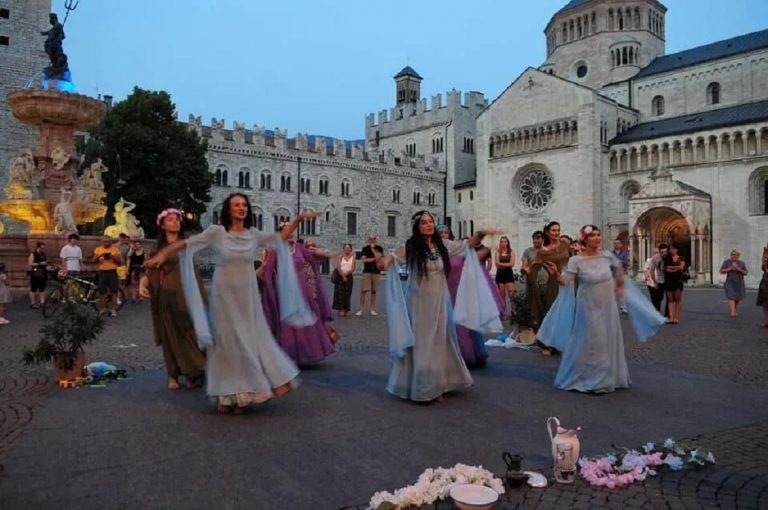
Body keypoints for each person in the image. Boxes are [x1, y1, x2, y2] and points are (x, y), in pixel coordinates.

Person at [147, 193, 315, 414]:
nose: (241, 208)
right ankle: (227, 395)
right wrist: (163, 254)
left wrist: (298, 220)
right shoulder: (217, 233)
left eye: (244, 205)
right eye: (236, 205)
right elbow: (188, 243)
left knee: (247, 341)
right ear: (228, 209)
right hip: (223, 296)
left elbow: (281, 238)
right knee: (226, 343)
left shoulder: (253, 234)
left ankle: (246, 392)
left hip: (247, 297)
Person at [378, 211, 501, 401]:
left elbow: (467, 244)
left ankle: (442, 382)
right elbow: (389, 261)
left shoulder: (442, 245)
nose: (429, 225)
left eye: (431, 221)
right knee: (423, 341)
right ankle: (423, 386)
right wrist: (382, 260)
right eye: (424, 222)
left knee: (441, 340)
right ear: (417, 227)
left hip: (440, 301)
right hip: (419, 302)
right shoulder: (410, 247)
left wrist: (482, 232)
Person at [538, 225, 664, 393]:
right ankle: (591, 379)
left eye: (598, 235)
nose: (597, 238)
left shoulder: (607, 256)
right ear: (584, 239)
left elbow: (618, 271)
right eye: (592, 236)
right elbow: (565, 281)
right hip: (587, 307)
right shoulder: (576, 260)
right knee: (592, 339)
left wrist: (618, 286)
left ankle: (608, 376)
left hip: (607, 306)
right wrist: (555, 273)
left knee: (607, 338)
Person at [139, 209, 206, 390]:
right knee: (170, 335)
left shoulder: (186, 243)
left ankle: (193, 373)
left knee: (190, 333)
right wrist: (142, 283)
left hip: (188, 293)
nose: (175, 222)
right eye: (170, 219)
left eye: (177, 219)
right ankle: (173, 375)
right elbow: (151, 269)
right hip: (167, 294)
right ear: (163, 224)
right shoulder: (158, 247)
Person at [261, 234, 336, 366]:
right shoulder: (276, 250)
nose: (290, 235)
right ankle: (289, 354)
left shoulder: (300, 248)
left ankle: (309, 352)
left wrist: (325, 253)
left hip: (303, 290)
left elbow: (314, 257)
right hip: (286, 290)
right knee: (289, 324)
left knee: (309, 320)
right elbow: (268, 269)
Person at [438, 225, 490, 368]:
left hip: (460, 289)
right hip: (443, 290)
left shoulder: (458, 249)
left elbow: (472, 262)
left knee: (463, 323)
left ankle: (468, 354)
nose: (443, 235)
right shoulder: (436, 251)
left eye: (446, 232)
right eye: (440, 232)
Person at [530, 222, 570, 354]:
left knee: (566, 312)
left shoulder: (565, 246)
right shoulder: (543, 251)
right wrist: (529, 273)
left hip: (568, 280)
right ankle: (548, 344)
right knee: (552, 311)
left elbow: (574, 259)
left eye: (558, 230)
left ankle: (564, 342)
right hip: (552, 282)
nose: (556, 233)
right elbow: (535, 266)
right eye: (553, 230)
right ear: (548, 232)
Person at [92, 236, 122, 317]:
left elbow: (119, 262)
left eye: (108, 241)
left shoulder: (115, 250)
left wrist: (113, 257)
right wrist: (100, 255)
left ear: (111, 242)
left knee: (114, 291)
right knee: (101, 291)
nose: (107, 243)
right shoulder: (98, 249)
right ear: (102, 242)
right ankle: (103, 309)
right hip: (102, 272)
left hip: (112, 272)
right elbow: (93, 261)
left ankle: (113, 310)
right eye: (105, 242)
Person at [356, 234, 383, 317]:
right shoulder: (365, 249)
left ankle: (372, 309)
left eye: (374, 239)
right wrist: (374, 258)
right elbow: (364, 260)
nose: (372, 240)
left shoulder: (379, 248)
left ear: (376, 239)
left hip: (376, 272)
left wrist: (374, 252)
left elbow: (379, 258)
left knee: (374, 291)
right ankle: (361, 309)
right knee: (364, 291)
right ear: (368, 240)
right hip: (367, 272)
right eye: (371, 239)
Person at [720, 250, 748, 318]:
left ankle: (735, 309)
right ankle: (732, 312)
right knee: (731, 296)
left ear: (738, 256)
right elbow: (721, 270)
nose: (733, 256)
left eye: (735, 255)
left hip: (739, 282)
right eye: (732, 254)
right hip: (729, 281)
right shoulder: (727, 262)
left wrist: (739, 270)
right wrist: (730, 269)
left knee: (737, 298)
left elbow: (746, 272)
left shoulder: (741, 263)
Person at [663, 243, 686, 324]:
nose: (671, 250)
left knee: (677, 299)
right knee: (670, 299)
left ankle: (676, 317)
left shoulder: (681, 258)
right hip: (669, 280)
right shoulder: (667, 258)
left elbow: (681, 267)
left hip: (677, 280)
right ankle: (671, 317)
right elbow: (666, 268)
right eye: (670, 249)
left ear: (677, 250)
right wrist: (676, 268)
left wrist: (671, 267)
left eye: (672, 248)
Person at [495, 236, 516, 319]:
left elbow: (512, 264)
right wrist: (504, 264)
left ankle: (514, 311)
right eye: (502, 242)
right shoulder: (497, 252)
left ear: (508, 243)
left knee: (511, 293)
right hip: (500, 274)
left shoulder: (511, 252)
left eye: (505, 241)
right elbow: (496, 264)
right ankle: (503, 312)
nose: (503, 243)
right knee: (502, 294)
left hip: (508, 274)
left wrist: (502, 264)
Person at [332, 243, 356, 317]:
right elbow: (338, 267)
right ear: (343, 249)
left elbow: (353, 268)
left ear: (351, 249)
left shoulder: (353, 257)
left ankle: (346, 309)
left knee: (347, 293)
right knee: (340, 293)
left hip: (349, 277)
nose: (347, 249)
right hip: (340, 276)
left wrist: (346, 274)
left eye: (349, 248)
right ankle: (341, 309)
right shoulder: (340, 256)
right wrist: (343, 275)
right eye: (346, 248)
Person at [644, 244, 668, 314]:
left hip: (667, 280)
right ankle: (656, 311)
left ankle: (667, 314)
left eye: (665, 251)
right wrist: (654, 282)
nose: (664, 253)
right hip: (656, 280)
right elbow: (649, 270)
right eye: (662, 252)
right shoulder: (652, 259)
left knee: (668, 298)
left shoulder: (668, 257)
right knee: (656, 297)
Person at [612, 239, 630, 314]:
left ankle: (624, 307)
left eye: (618, 243)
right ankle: (613, 307)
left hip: (622, 273)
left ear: (621, 245)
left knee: (623, 291)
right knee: (613, 292)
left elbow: (626, 262)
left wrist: (619, 261)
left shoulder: (625, 253)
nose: (616, 244)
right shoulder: (611, 254)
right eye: (615, 243)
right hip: (613, 274)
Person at [28, 241, 48, 309]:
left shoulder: (43, 254)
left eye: (43, 248)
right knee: (33, 289)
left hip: (43, 273)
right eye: (41, 248)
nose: (42, 249)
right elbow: (30, 263)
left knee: (42, 289)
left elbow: (45, 262)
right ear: (38, 247)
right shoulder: (33, 254)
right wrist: (39, 263)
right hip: (35, 273)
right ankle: (33, 303)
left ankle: (42, 302)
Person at [127, 240, 146, 304]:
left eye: (138, 244)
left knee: (141, 283)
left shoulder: (143, 252)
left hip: (141, 269)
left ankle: (141, 297)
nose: (137, 246)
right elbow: (128, 255)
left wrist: (143, 265)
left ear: (140, 245)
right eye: (136, 244)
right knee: (134, 283)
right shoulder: (133, 252)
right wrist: (131, 248)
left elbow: (145, 260)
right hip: (134, 269)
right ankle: (133, 297)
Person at [116, 233, 132, 302]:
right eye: (121, 238)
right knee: (115, 282)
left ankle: (119, 297)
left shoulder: (126, 247)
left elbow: (128, 258)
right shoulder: (114, 246)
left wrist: (127, 268)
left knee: (122, 283)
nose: (122, 239)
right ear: (119, 238)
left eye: (123, 238)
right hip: (114, 266)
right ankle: (115, 296)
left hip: (122, 266)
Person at [758, 244, 768, 328]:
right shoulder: (766, 254)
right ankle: (766, 321)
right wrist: (764, 254)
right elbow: (763, 267)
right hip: (766, 279)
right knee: (765, 301)